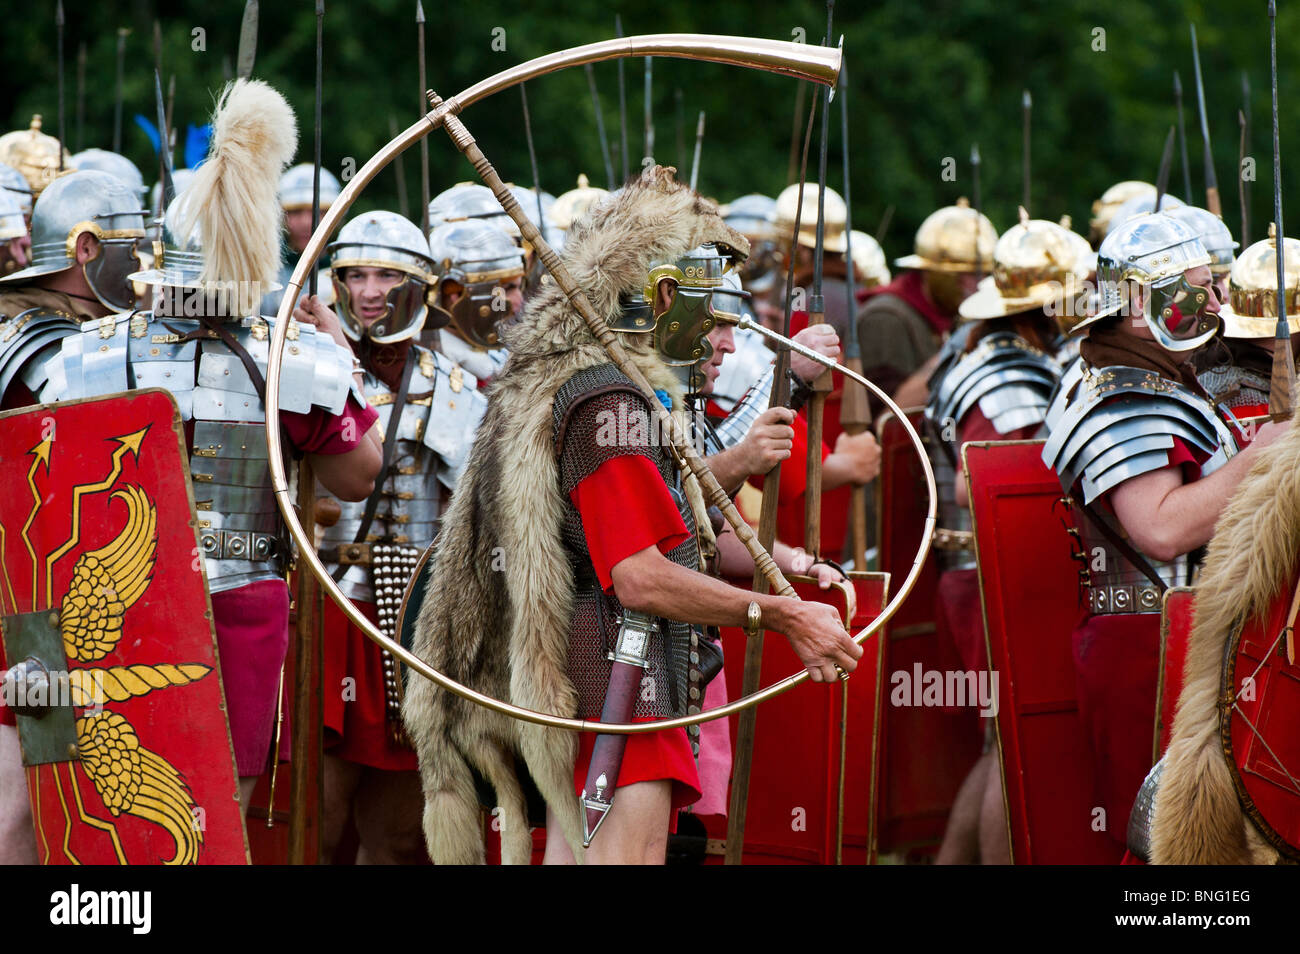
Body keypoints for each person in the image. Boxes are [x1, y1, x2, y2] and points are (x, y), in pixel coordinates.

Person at [403, 166, 861, 865]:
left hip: (620, 680)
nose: (726, 339)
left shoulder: (614, 395)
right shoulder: (612, 406)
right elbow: (639, 577)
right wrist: (785, 616)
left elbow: (677, 543)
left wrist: (791, 575)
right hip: (619, 683)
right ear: (666, 297)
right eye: (711, 309)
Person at [8, 80, 382, 835]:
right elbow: (358, 475)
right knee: (214, 812)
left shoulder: (81, 357)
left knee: (89, 814)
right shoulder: (289, 359)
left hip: (102, 598)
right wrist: (342, 357)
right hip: (238, 600)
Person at [1040, 211, 1288, 854]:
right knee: (1163, 844)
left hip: (1176, 634)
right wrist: (1264, 454)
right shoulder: (1128, 394)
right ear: (1143, 300)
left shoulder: (1156, 377)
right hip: (1149, 639)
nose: (1218, 302)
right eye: (1201, 288)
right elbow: (1160, 529)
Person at [312, 209, 486, 864]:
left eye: (386, 276)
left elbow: (473, 523)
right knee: (318, 819)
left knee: (398, 833)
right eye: (354, 275)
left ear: (419, 285)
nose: (368, 291)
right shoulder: (301, 370)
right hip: (326, 607)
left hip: (414, 618)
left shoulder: (458, 389)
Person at [926, 215, 1085, 864]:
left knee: (1003, 743)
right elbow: (983, 482)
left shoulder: (997, 354)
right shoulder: (1007, 370)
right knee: (1010, 744)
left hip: (990, 575)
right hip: (991, 574)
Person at [859, 199, 998, 418]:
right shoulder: (884, 319)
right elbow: (886, 420)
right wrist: (957, 348)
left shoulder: (951, 314)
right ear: (937, 274)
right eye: (970, 274)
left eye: (986, 275)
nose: (979, 285)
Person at [424, 217, 525, 382]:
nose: (518, 300)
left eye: (518, 287)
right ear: (455, 296)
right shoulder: (433, 367)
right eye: (507, 289)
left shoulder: (497, 354)